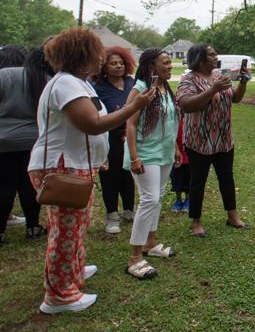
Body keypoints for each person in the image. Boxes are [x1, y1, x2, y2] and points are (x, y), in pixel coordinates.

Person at [27, 27, 155, 314]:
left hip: (76, 164)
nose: (101, 57)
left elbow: (89, 126)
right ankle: (59, 297)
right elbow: (92, 124)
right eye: (97, 52)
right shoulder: (67, 85)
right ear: (83, 54)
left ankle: (73, 271)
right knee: (65, 232)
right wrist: (134, 106)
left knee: (76, 227)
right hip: (63, 166)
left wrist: (99, 157)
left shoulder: (76, 83)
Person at [176, 43, 250, 237]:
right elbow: (186, 105)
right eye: (211, 54)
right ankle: (196, 221)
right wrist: (212, 90)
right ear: (200, 59)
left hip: (223, 138)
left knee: (226, 177)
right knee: (198, 181)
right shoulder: (188, 79)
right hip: (199, 141)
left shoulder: (219, 75)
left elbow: (234, 98)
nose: (215, 56)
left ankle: (232, 215)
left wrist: (243, 83)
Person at [123, 48, 181, 280]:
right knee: (150, 199)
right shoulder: (140, 89)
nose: (170, 66)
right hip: (145, 154)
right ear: (151, 66)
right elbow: (130, 124)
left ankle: (150, 243)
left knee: (157, 196)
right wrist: (134, 157)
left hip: (164, 153)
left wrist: (175, 148)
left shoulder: (164, 88)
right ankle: (135, 258)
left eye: (170, 62)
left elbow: (169, 121)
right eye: (165, 63)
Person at [0, 47, 52, 244]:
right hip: (33, 139)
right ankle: (33, 226)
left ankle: (1, 231)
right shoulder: (39, 77)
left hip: (3, 141)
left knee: (4, 186)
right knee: (29, 186)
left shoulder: (2, 76)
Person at [93, 46, 137, 234]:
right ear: (104, 66)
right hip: (109, 137)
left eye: (121, 63)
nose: (118, 66)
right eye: (113, 63)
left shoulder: (131, 83)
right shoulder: (98, 88)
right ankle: (112, 215)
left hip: (130, 136)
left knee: (128, 174)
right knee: (110, 177)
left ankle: (128, 209)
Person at [169, 117, 190, 213]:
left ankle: (188, 199)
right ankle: (178, 199)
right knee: (176, 179)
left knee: (189, 179)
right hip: (176, 154)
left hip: (189, 154)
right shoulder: (173, 117)